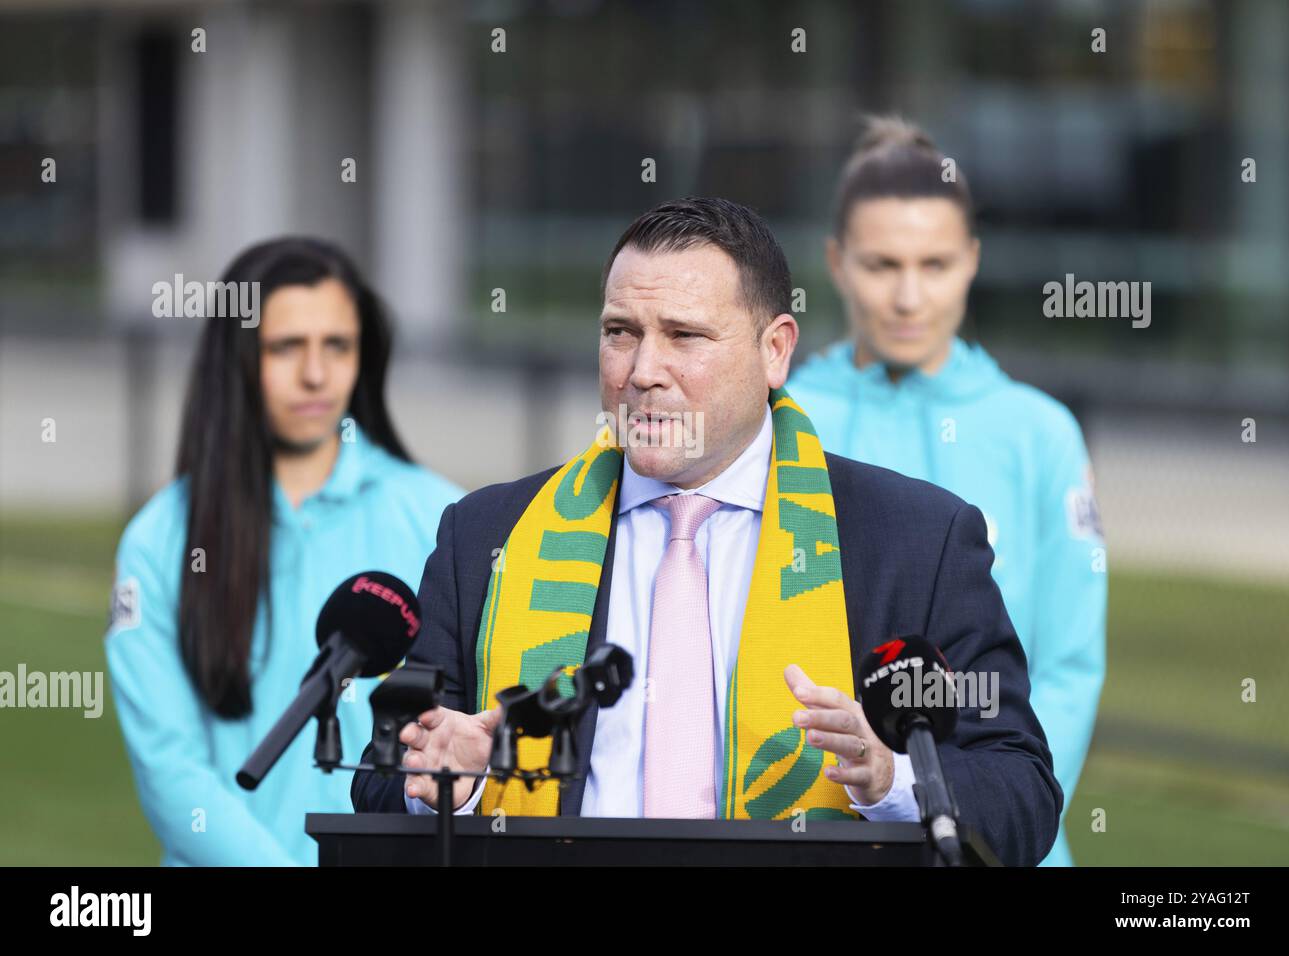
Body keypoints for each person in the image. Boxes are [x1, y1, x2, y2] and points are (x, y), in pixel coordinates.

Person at [352, 197, 1063, 866]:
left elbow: (1020, 798)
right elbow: (380, 784)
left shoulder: (917, 541)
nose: (642, 372)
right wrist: (459, 779)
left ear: (775, 351)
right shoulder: (484, 537)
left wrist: (893, 781)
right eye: (619, 333)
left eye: (684, 336)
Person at [787, 116, 1106, 866]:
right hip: (820, 831)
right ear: (837, 263)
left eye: (934, 264)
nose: (907, 296)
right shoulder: (785, 420)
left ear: (972, 261)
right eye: (880, 263)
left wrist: (986, 813)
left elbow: (1067, 666)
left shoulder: (1041, 434)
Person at [106, 237, 463, 865]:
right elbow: (171, 772)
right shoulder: (159, 539)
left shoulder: (444, 522)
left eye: (338, 346)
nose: (316, 374)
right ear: (238, 358)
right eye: (286, 347)